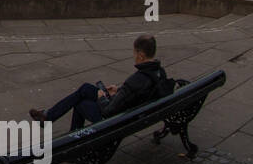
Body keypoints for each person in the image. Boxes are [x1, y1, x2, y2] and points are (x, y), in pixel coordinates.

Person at [31, 35, 174, 132]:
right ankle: (48, 116)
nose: (134, 56)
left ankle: (72, 139)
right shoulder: (159, 72)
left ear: (141, 55)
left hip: (117, 120)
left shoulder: (135, 80)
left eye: (134, 52)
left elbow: (108, 111)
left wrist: (102, 97)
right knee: (85, 89)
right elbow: (134, 93)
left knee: (81, 103)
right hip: (133, 112)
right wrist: (118, 91)